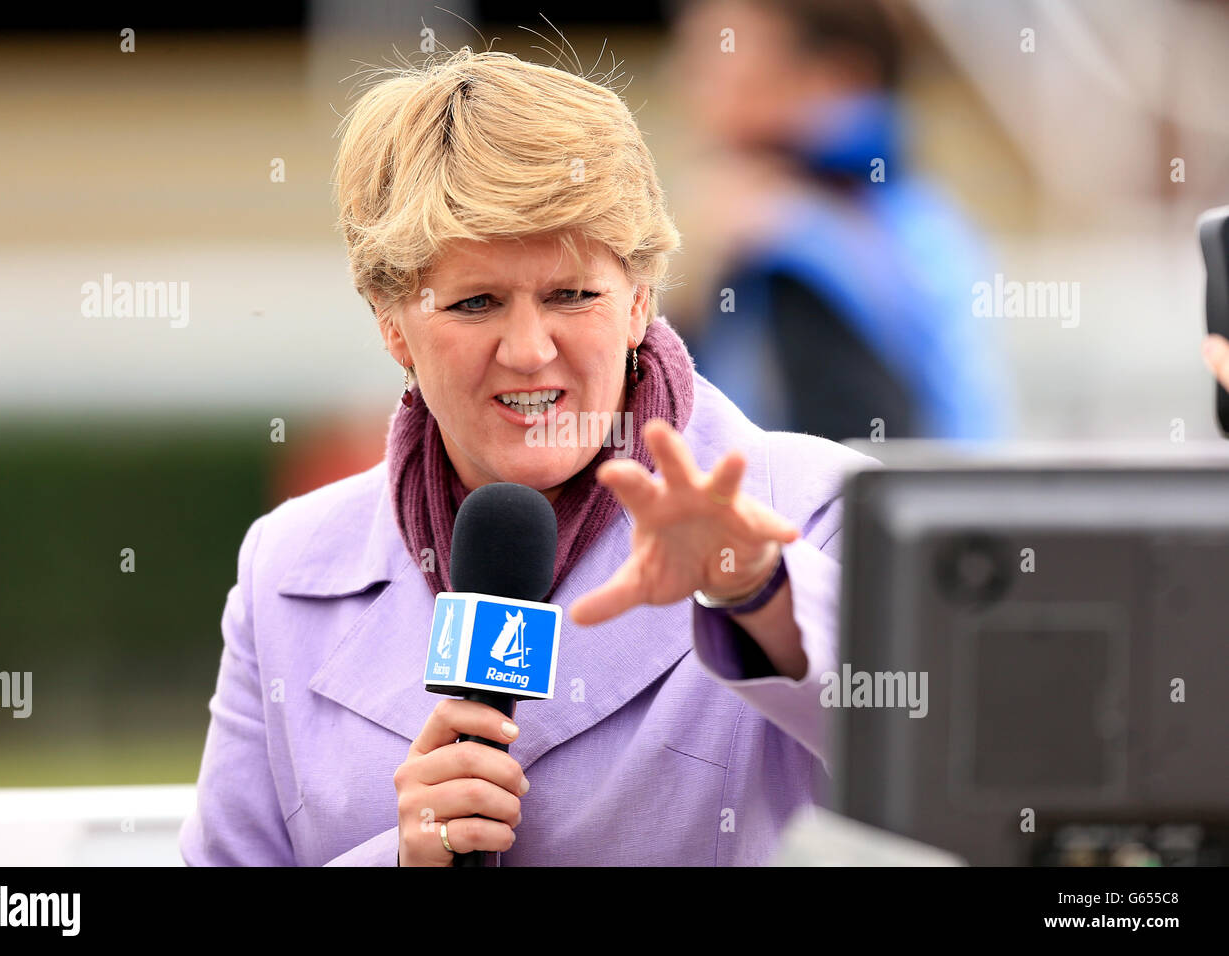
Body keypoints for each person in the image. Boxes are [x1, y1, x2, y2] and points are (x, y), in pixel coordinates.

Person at [178, 48, 876, 866]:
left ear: (641, 296)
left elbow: (945, 751)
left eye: (570, 295)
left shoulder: (809, 504)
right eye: (476, 303)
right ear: (391, 322)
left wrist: (755, 588)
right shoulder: (289, 566)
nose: (528, 348)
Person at [668, 0, 1009, 441]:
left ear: (838, 76)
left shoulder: (787, 248)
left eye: (717, 58)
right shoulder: (921, 216)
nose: (686, 84)